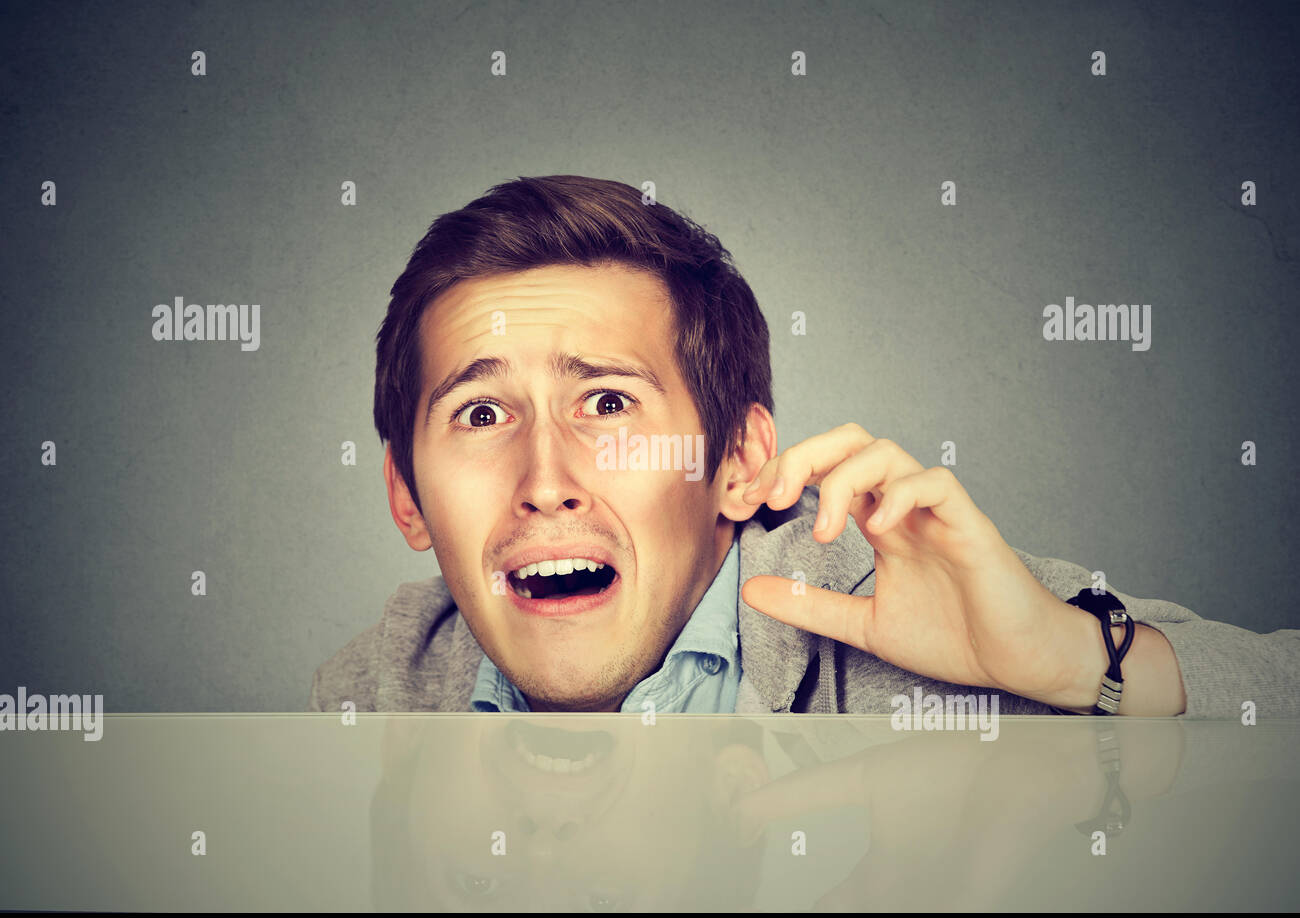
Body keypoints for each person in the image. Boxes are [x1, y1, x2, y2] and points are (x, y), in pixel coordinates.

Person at [311, 175, 1299, 718]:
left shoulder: (890, 623)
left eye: (606, 404)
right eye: (481, 416)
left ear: (738, 464)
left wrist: (1066, 656)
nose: (545, 482)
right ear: (405, 494)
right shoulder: (368, 700)